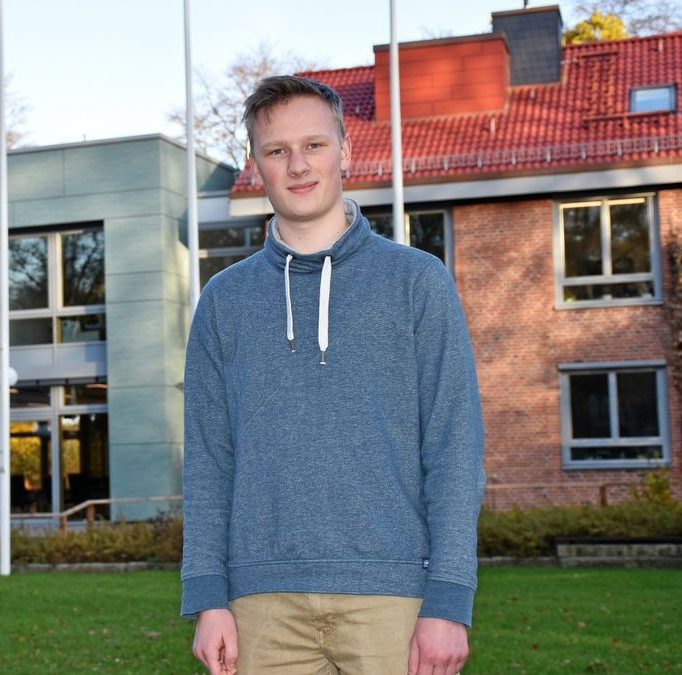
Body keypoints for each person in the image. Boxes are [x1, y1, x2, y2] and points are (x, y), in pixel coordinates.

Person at [181, 75, 486, 675]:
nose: (298, 165)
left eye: (314, 145)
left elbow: (454, 447)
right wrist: (207, 598)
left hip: (395, 598)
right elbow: (208, 460)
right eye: (277, 150)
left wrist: (449, 600)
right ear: (257, 166)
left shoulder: (417, 282)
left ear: (345, 151)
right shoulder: (224, 300)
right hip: (259, 605)